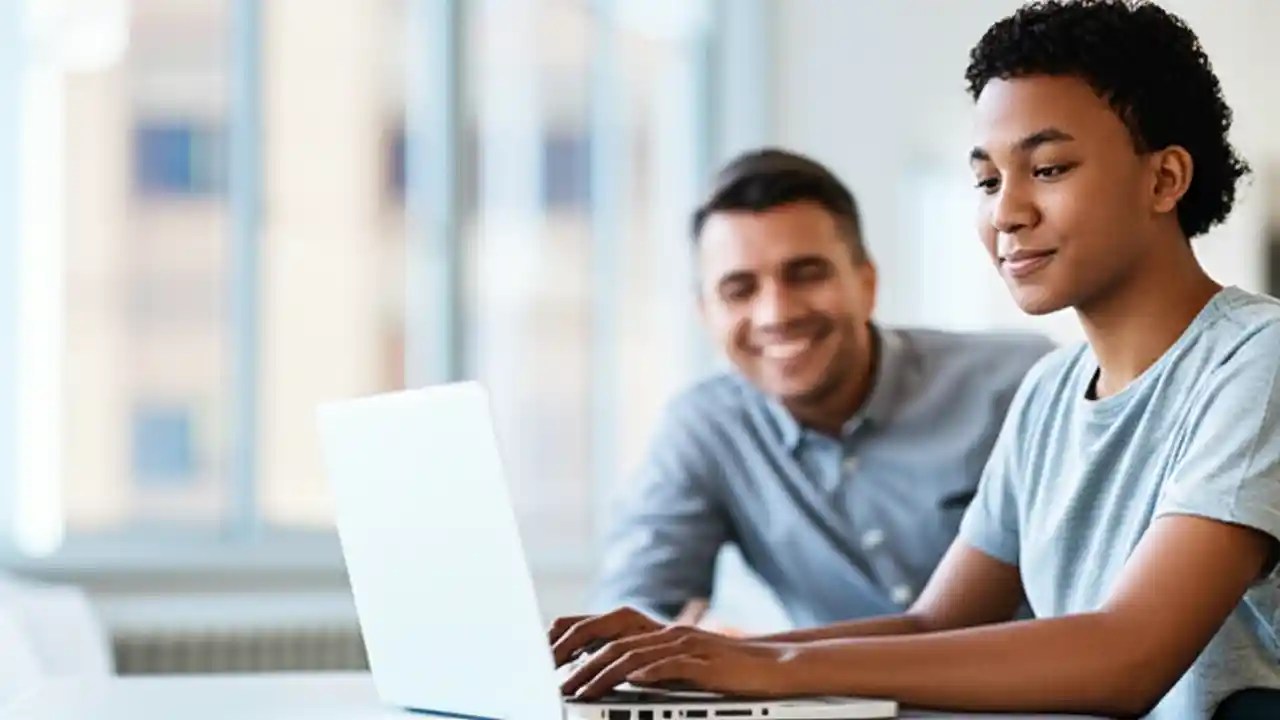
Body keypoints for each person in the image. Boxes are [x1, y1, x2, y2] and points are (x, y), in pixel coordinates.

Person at [550, 2, 1280, 718]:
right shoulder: (1050, 391)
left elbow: (1126, 655)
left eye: (1049, 168)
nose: (1006, 212)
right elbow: (940, 625)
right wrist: (696, 660)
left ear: (1164, 179)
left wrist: (766, 663)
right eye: (988, 181)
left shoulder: (1257, 359)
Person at [592, 147, 1053, 629]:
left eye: (806, 275)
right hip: (834, 702)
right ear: (706, 315)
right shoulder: (707, 428)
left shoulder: (1020, 382)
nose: (776, 315)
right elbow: (630, 609)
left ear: (867, 282)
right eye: (739, 290)